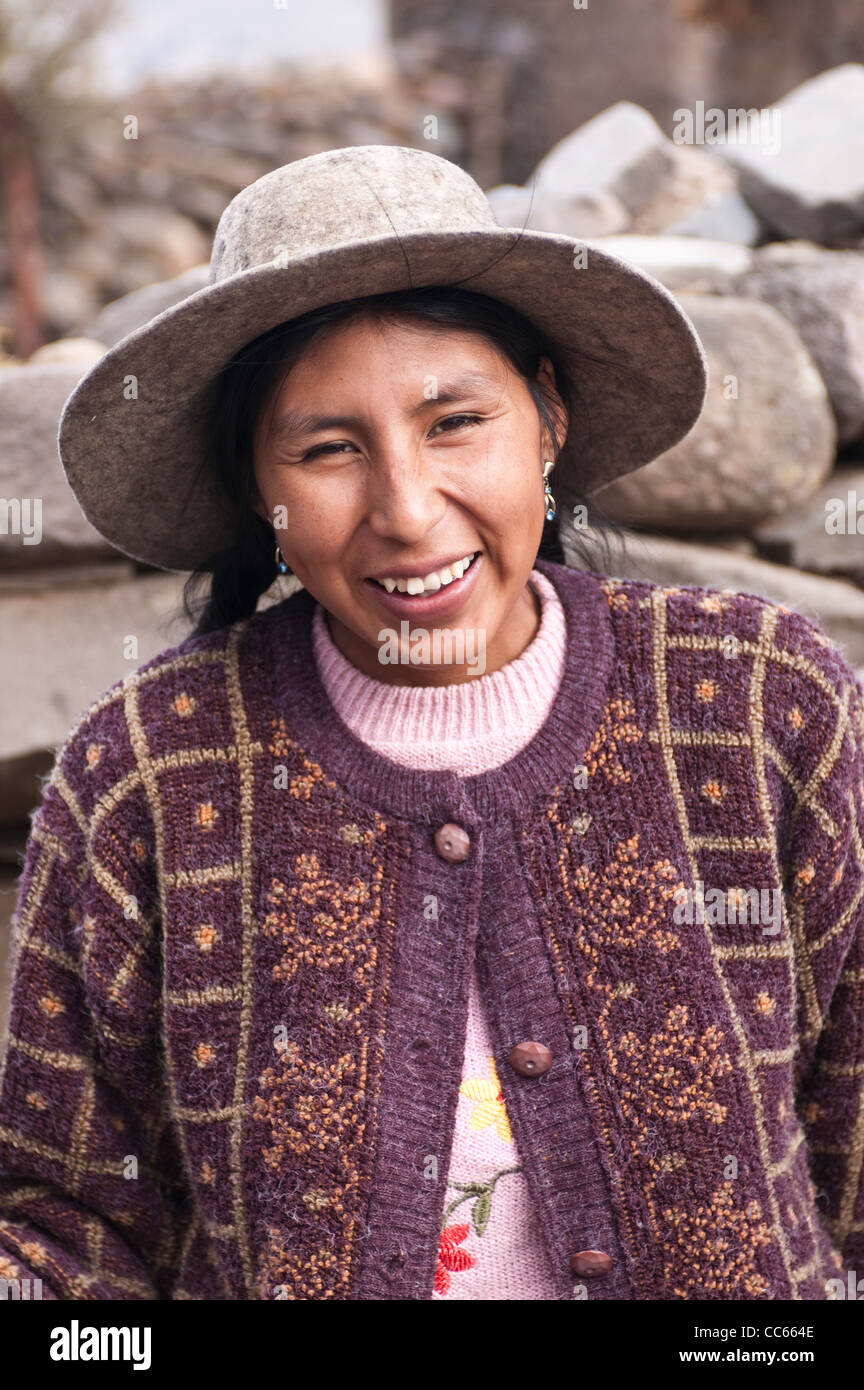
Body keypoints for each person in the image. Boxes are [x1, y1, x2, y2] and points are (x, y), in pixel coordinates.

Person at [0, 145, 862, 1302]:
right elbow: (63, 1223)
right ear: (258, 489)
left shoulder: (756, 700)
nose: (408, 511)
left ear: (548, 414)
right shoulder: (155, 773)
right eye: (329, 449)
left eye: (455, 421)